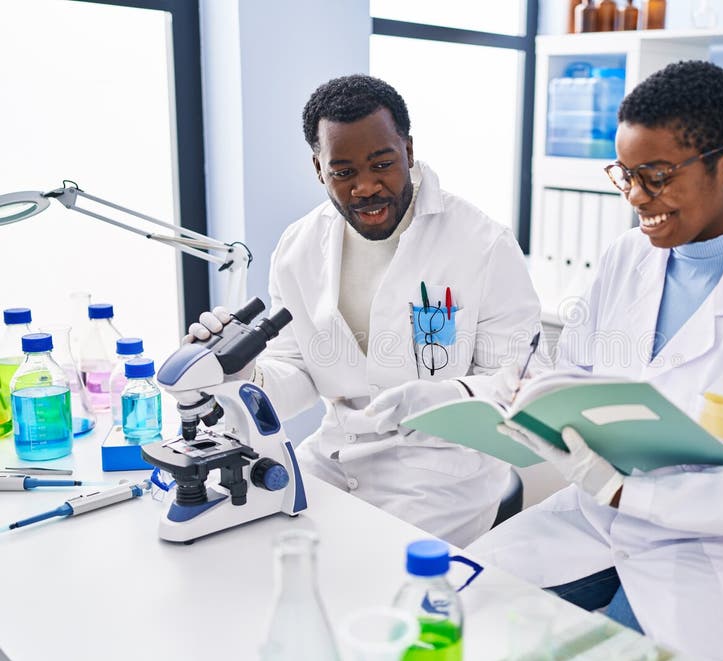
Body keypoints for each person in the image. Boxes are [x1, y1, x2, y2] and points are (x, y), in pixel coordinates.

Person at [466, 61, 723, 661]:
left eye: (654, 176)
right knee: (460, 596)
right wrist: (520, 396)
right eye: (625, 175)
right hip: (595, 522)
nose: (634, 198)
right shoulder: (628, 257)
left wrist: (631, 494)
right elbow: (575, 377)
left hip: (715, 558)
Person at [187, 75, 541, 547]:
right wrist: (245, 374)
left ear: (409, 151)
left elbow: (515, 383)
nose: (366, 187)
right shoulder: (299, 247)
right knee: (257, 553)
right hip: (334, 453)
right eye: (344, 172)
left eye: (382, 164)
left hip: (441, 472)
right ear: (319, 169)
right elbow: (298, 372)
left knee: (376, 578)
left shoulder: (483, 244)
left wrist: (425, 400)